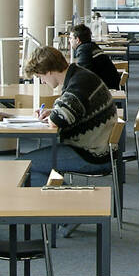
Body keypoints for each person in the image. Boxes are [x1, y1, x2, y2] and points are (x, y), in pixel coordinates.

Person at [19, 45, 117, 189]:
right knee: (29, 166)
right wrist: (53, 111)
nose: (42, 81)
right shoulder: (79, 75)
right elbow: (68, 110)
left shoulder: (78, 84)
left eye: (40, 76)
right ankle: (57, 196)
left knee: (22, 167)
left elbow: (57, 120)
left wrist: (53, 114)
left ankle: (65, 199)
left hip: (92, 155)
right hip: (98, 148)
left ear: (49, 71)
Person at [68, 23, 121, 90]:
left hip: (106, 88)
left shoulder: (84, 50)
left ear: (77, 40)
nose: (69, 40)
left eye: (70, 38)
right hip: (110, 83)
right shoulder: (92, 46)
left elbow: (81, 75)